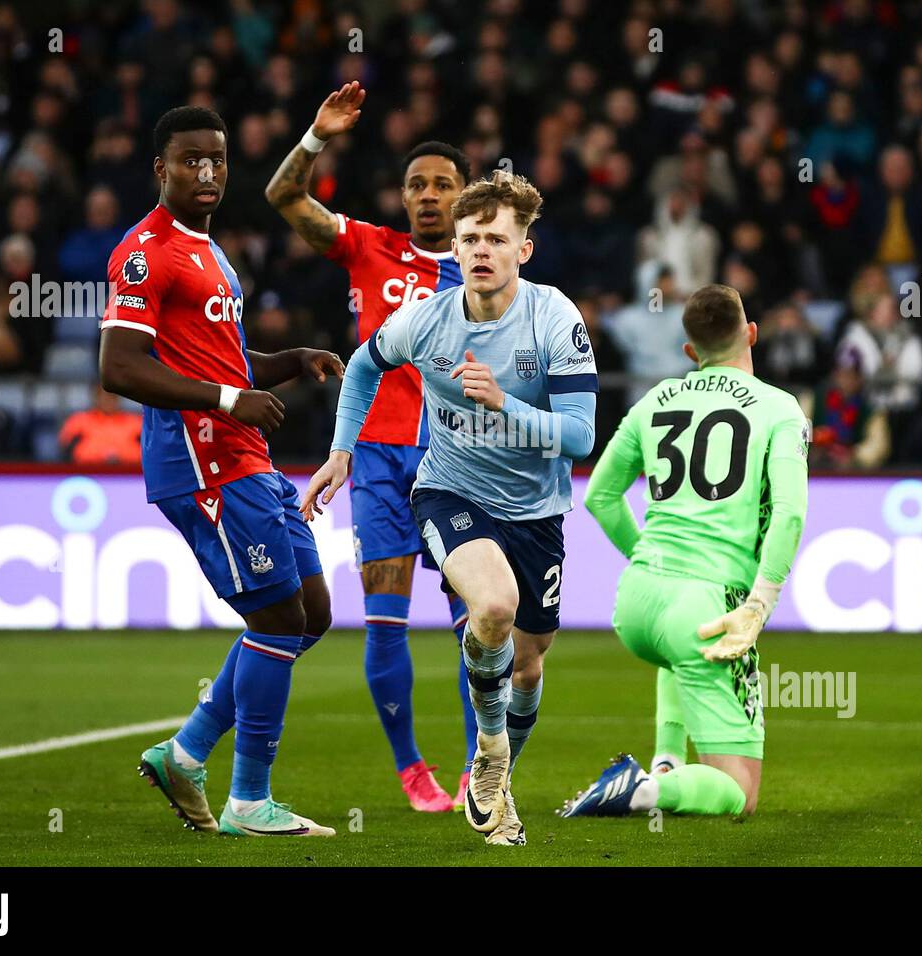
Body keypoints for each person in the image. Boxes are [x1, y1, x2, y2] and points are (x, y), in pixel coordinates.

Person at [301, 170, 597, 846]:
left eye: (496, 237)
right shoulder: (425, 321)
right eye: (469, 238)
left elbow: (580, 436)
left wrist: (505, 404)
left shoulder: (555, 318)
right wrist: (343, 451)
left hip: (536, 511)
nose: (480, 250)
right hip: (449, 491)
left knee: (529, 659)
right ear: (455, 249)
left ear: (524, 248)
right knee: (490, 609)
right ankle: (488, 756)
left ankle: (499, 775)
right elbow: (365, 364)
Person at [98, 106, 344, 838]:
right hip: (201, 463)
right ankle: (248, 802)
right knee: (275, 617)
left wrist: (289, 362)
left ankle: (186, 753)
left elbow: (223, 363)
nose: (206, 172)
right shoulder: (144, 253)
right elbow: (120, 366)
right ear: (160, 168)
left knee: (312, 615)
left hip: (244, 457)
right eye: (190, 160)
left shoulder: (210, 250)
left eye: (217, 160)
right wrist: (229, 397)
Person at [264, 80, 478, 812]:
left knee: (477, 625)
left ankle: (482, 764)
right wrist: (317, 136)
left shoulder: (489, 273)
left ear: (465, 197)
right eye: (416, 184)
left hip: (461, 459)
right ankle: (412, 769)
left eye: (442, 185)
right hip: (381, 458)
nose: (426, 196)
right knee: (386, 618)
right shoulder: (369, 247)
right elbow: (285, 199)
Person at [562, 284, 808, 818]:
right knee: (739, 794)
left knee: (676, 650)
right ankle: (647, 790)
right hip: (708, 609)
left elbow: (600, 496)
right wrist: (759, 605)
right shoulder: (779, 408)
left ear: (690, 353)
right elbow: (789, 513)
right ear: (752, 334)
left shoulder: (654, 400)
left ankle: (667, 760)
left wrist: (648, 560)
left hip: (637, 602)